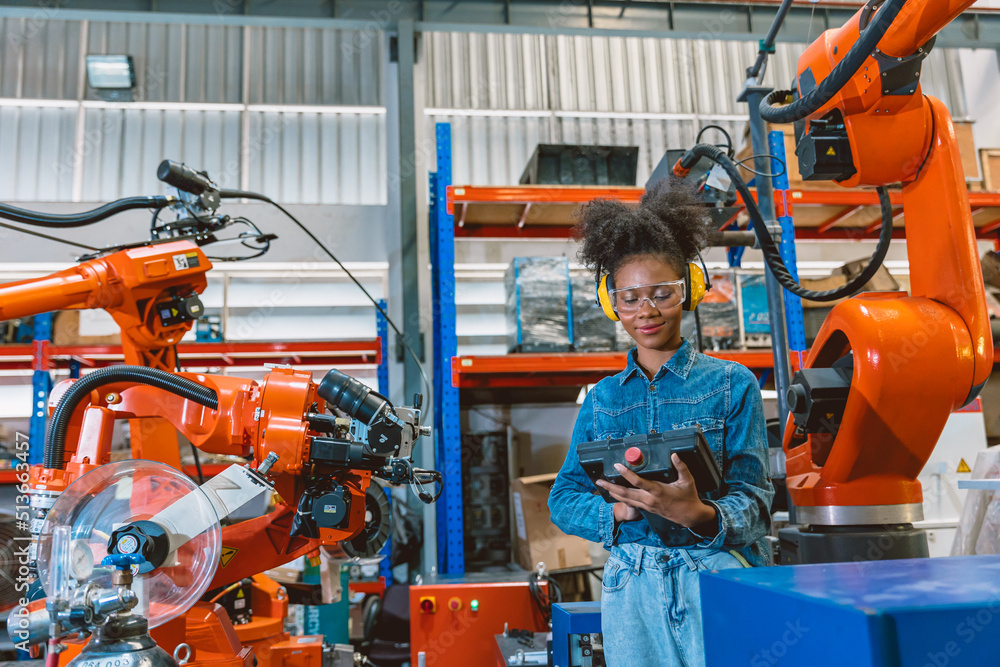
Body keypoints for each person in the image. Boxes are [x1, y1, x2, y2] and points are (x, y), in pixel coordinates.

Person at [548, 180, 774, 667]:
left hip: (714, 573)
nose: (646, 311)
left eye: (662, 294)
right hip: (633, 582)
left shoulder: (732, 384)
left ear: (689, 289)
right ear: (612, 304)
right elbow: (563, 498)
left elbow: (756, 503)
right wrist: (618, 513)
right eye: (629, 299)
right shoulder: (602, 400)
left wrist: (697, 514)